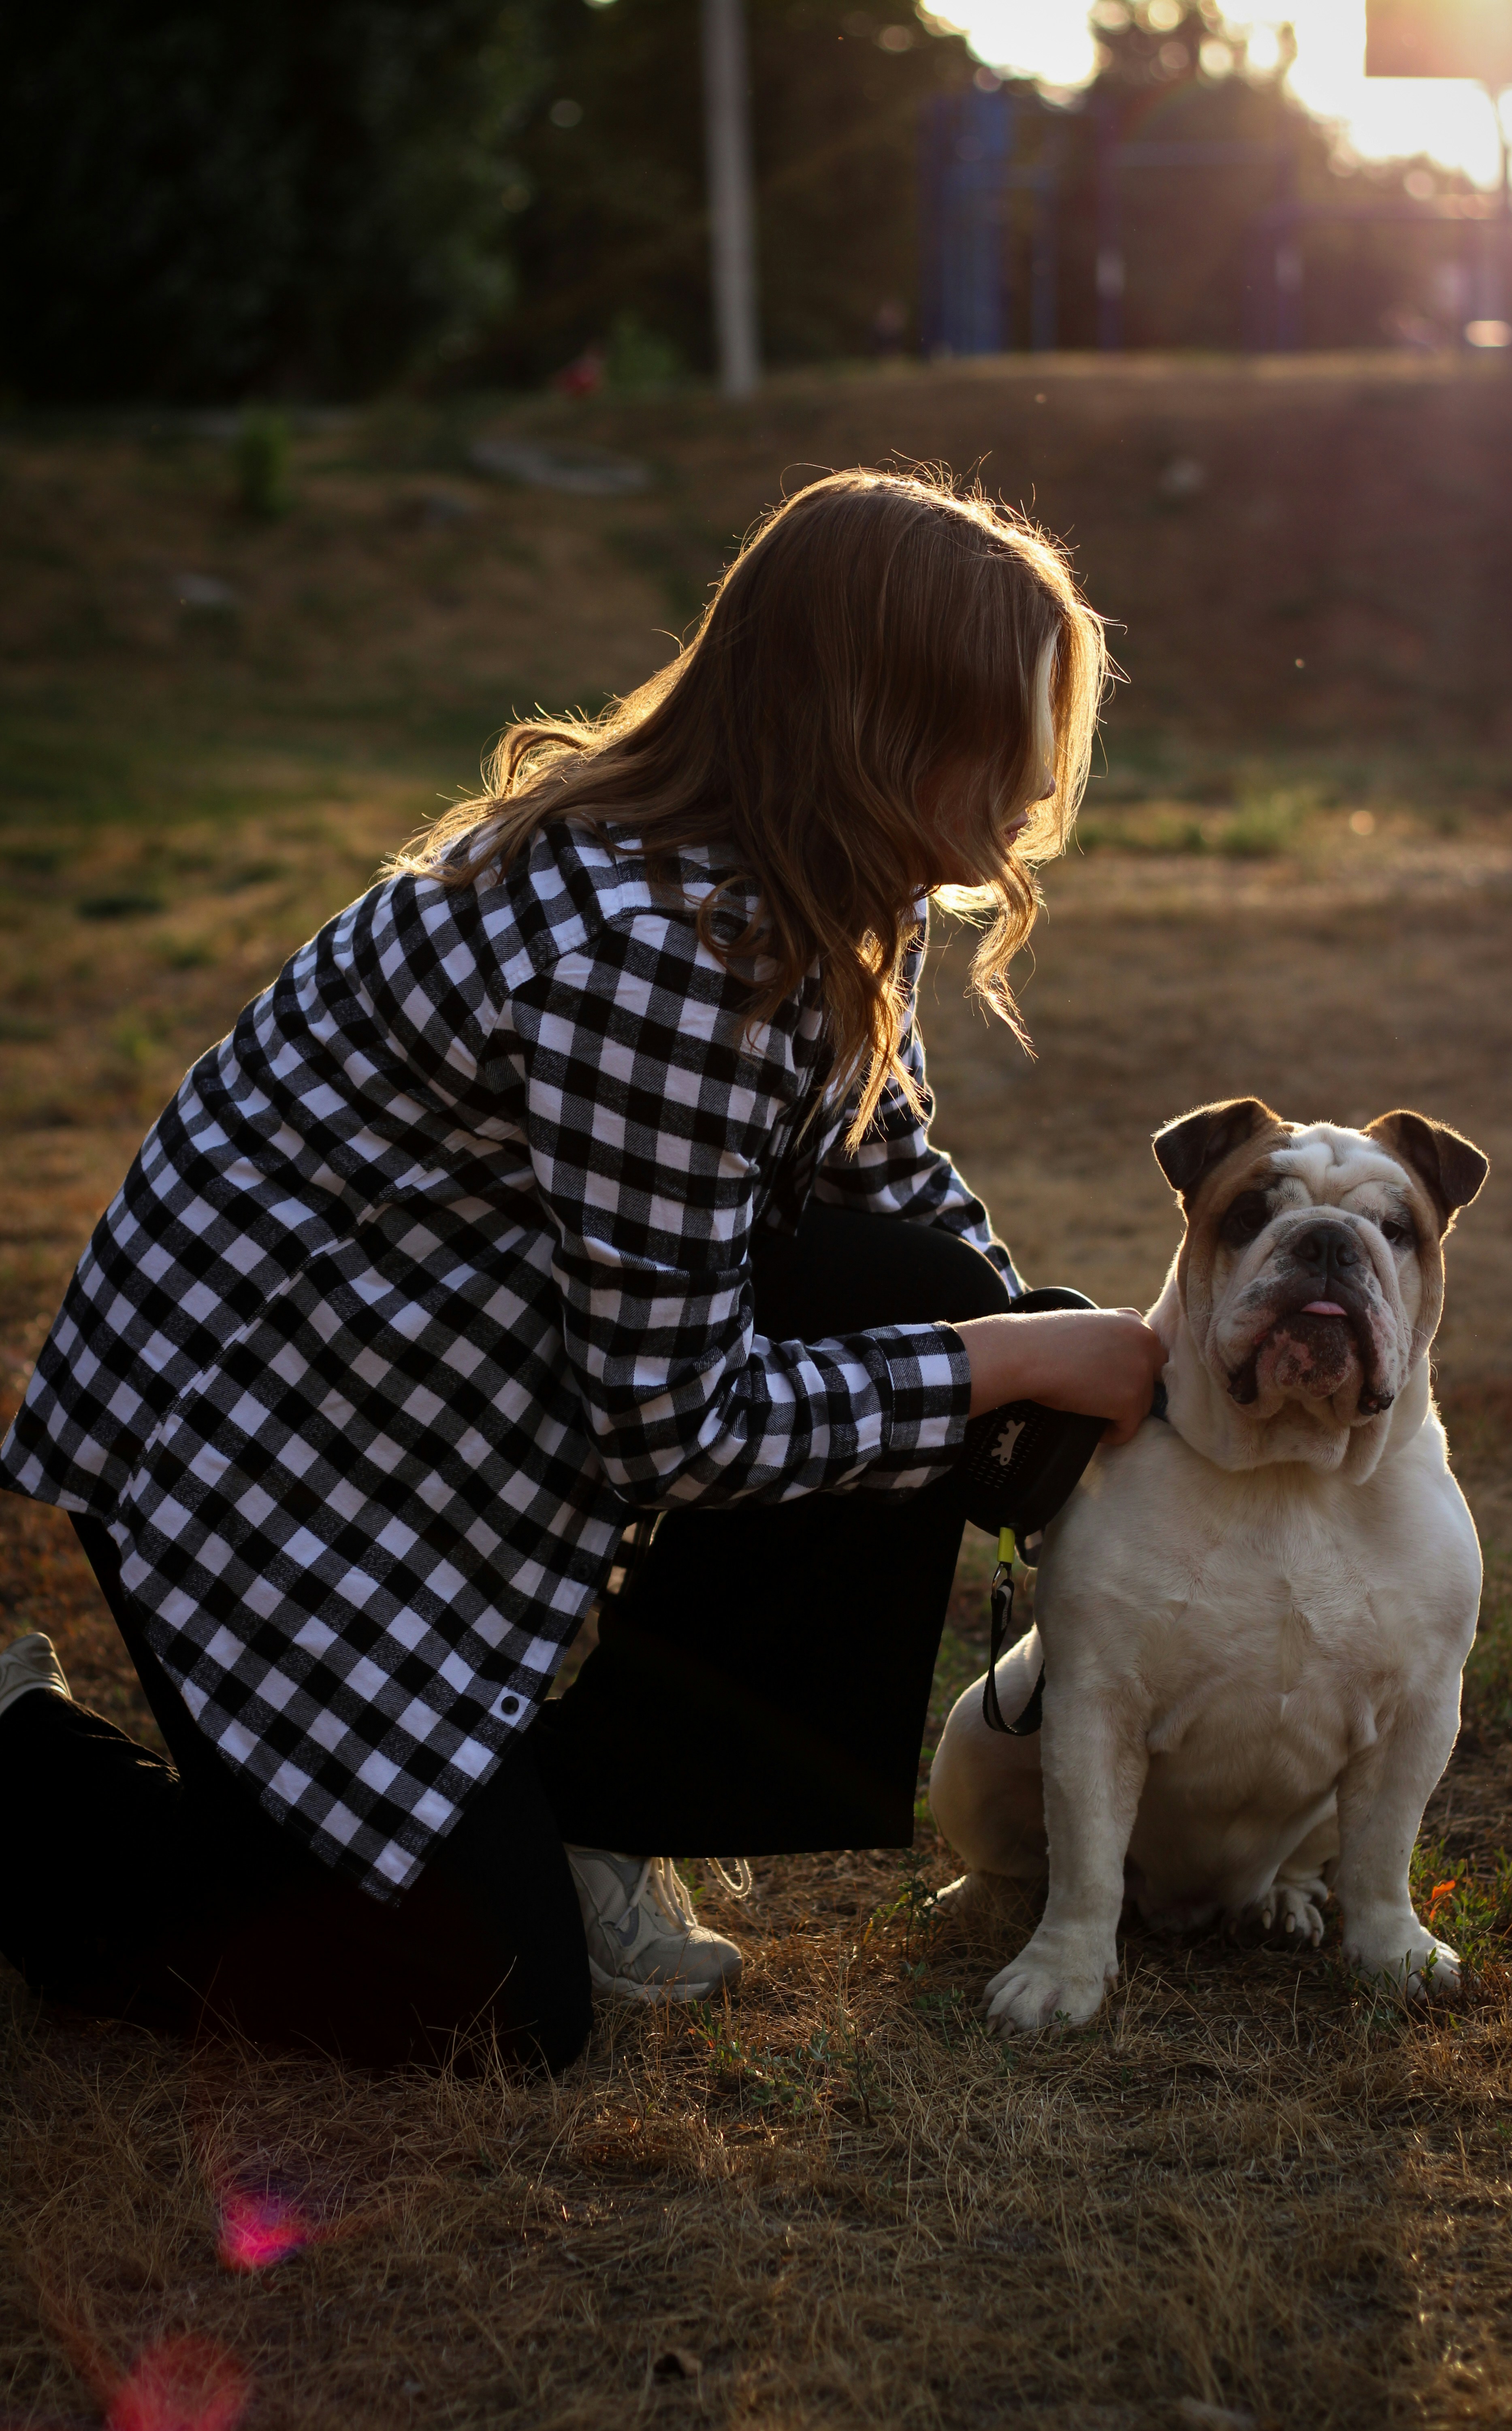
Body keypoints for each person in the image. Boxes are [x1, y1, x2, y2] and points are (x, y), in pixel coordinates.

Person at [0, 470, 1165, 2073]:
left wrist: (1028, 1339)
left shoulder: (797, 891)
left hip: (418, 1403)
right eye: (1011, 737)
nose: (1035, 794)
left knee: (908, 1294)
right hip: (248, 1450)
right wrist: (1015, 1368)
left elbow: (889, 1189)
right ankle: (18, 1770)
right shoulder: (660, 958)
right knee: (476, 2006)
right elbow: (673, 1429)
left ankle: (601, 1811)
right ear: (881, 730)